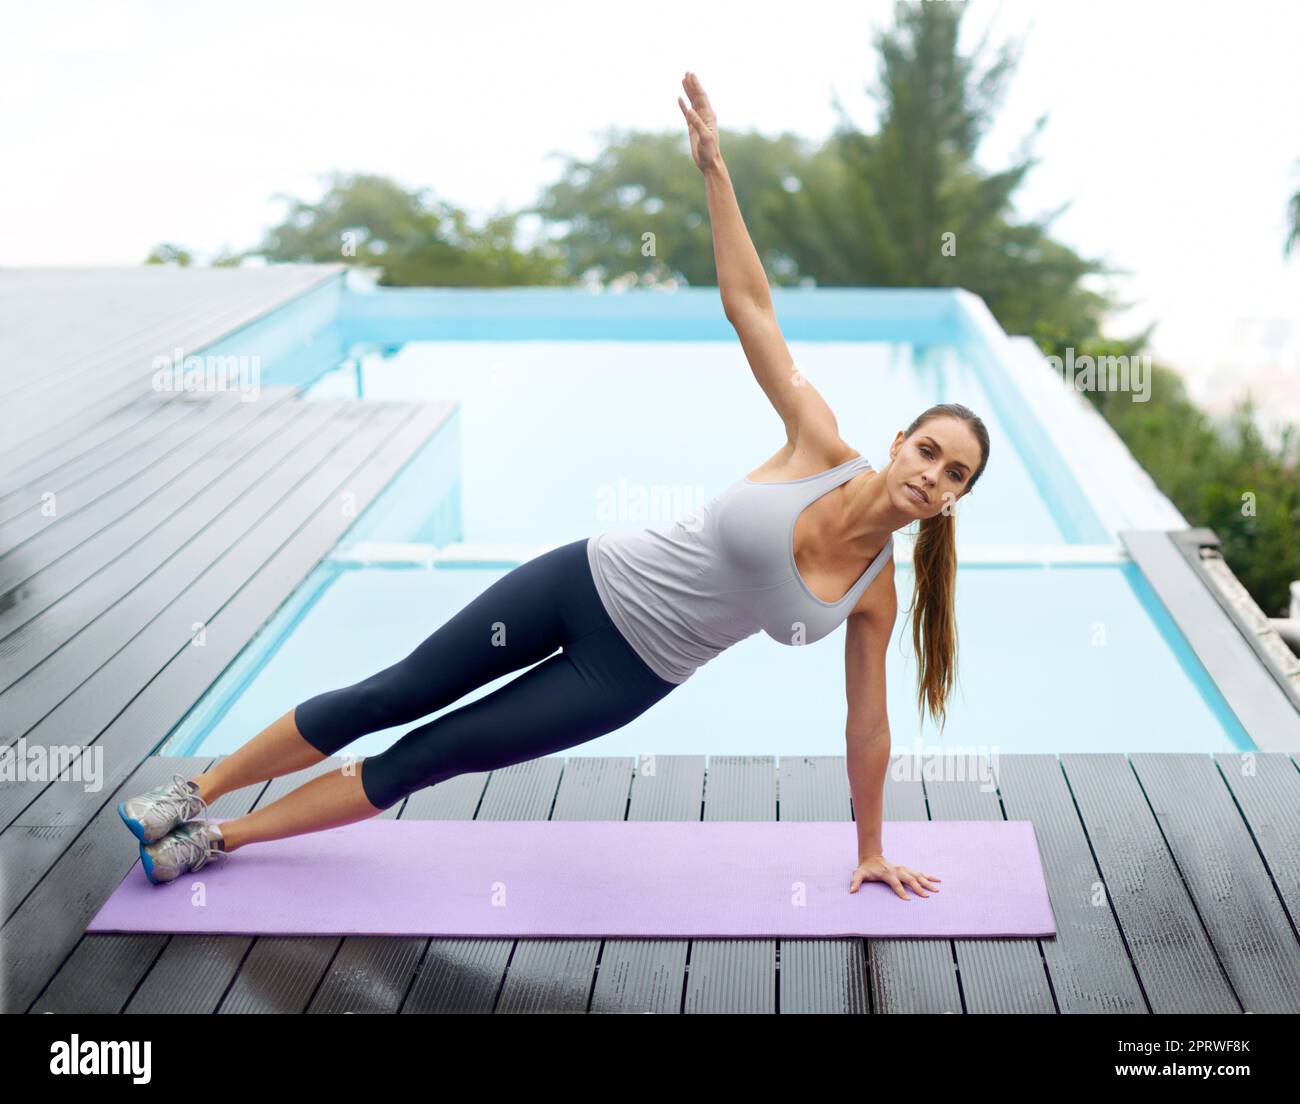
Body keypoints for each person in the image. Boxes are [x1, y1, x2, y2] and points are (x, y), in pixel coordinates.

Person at [119, 72, 988, 903]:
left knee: (430, 754)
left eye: (954, 475)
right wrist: (715, 171)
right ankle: (196, 791)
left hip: (626, 674)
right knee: (392, 694)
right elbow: (751, 308)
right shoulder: (818, 442)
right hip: (581, 579)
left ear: (952, 500)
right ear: (899, 439)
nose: (930, 474)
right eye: (929, 450)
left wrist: (870, 849)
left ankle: (222, 840)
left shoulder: (876, 595)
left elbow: (865, 727)